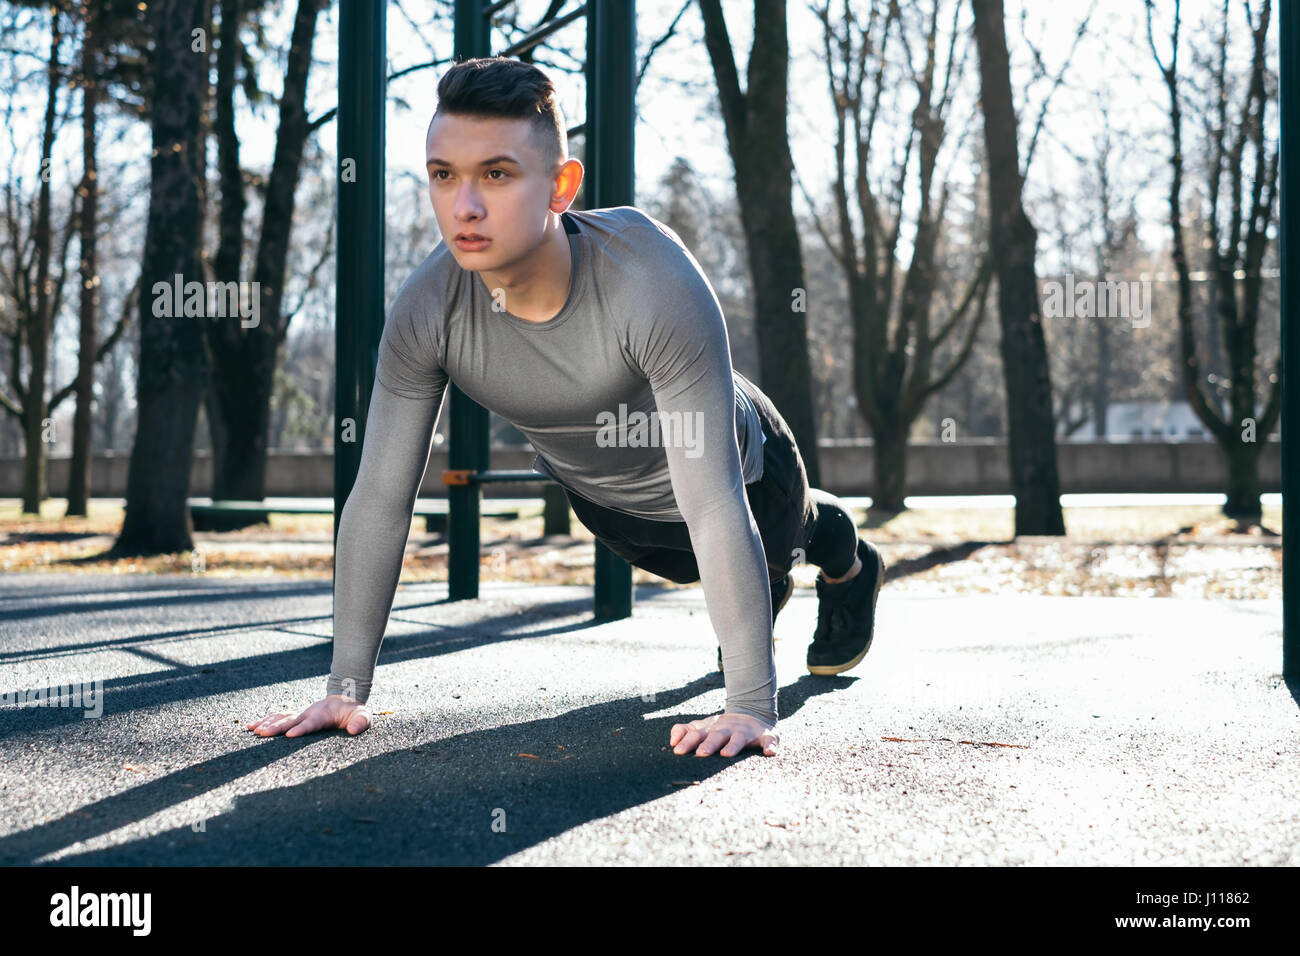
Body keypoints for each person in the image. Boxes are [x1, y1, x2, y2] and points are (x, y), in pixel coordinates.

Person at [247, 56, 886, 758]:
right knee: (697, 569)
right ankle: (757, 591)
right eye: (443, 175)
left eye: (496, 174)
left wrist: (748, 705)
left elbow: (711, 502)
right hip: (608, 504)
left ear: (560, 185)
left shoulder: (649, 277)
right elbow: (378, 497)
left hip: (744, 478)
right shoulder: (427, 312)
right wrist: (345, 686)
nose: (463, 206)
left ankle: (850, 565)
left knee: (787, 538)